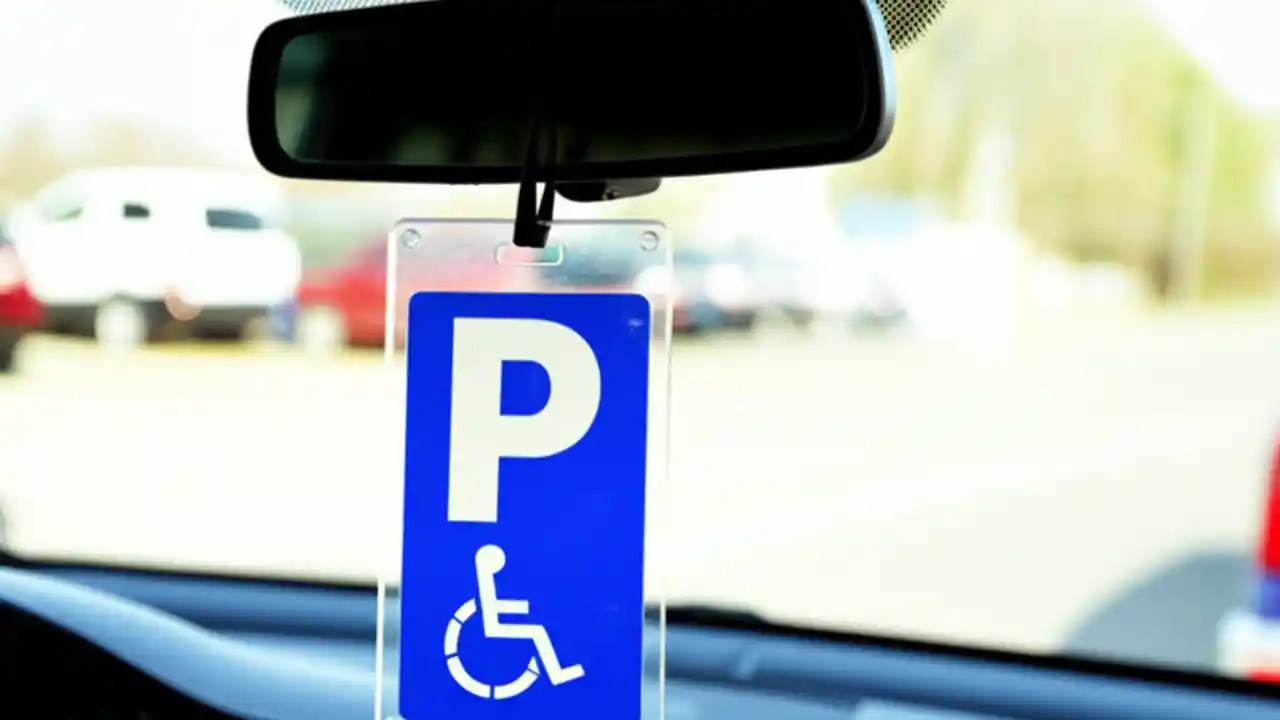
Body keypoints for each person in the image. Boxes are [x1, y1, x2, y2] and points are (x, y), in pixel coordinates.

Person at [473, 544, 585, 685]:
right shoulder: (486, 579)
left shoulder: (486, 577)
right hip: (495, 626)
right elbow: (491, 605)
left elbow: (492, 604)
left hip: (495, 624)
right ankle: (556, 674)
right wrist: (520, 607)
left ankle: (556, 672)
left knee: (538, 631)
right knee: (538, 631)